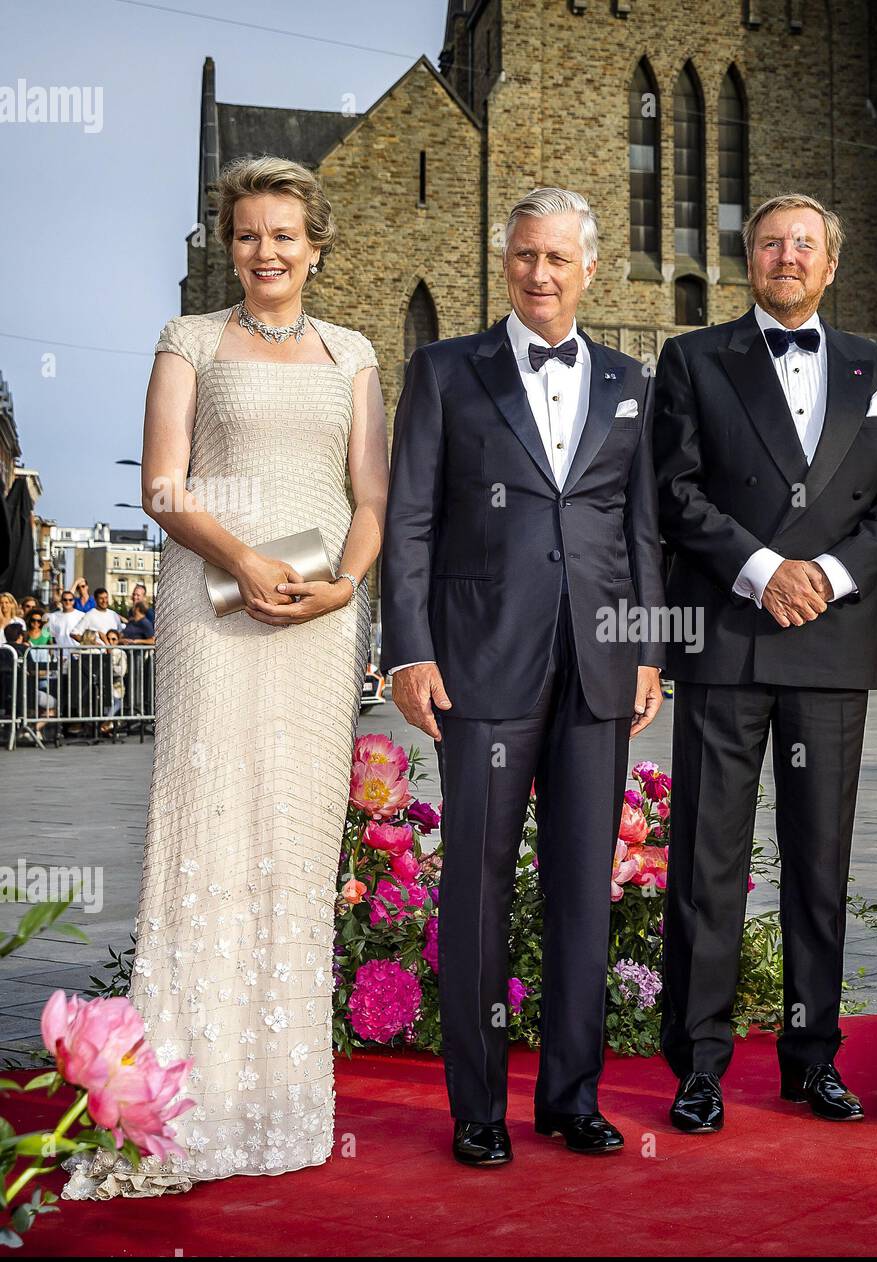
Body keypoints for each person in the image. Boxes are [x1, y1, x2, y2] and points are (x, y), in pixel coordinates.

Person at [62, 154, 388, 1200]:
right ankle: (182, 1099)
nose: (266, 251)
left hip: (319, 625)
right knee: (207, 826)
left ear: (316, 245)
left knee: (293, 846)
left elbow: (372, 496)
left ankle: (275, 1107)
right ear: (228, 242)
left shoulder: (353, 352)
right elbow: (162, 481)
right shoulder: (190, 340)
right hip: (214, 609)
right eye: (248, 234)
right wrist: (241, 558)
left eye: (284, 234)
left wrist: (344, 585)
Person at [382, 187, 666, 1168]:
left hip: (598, 668)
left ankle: (570, 1097)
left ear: (590, 267)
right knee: (477, 890)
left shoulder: (633, 379)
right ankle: (476, 1110)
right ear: (503, 262)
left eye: (556, 258)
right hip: (479, 665)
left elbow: (639, 529)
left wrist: (645, 651)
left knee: (586, 889)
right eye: (522, 257)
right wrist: (408, 650)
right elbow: (409, 518)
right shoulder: (445, 371)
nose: (538, 274)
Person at [653, 192, 877, 1132]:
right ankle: (699, 1064)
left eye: (805, 243)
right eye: (771, 242)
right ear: (749, 258)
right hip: (727, 638)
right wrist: (764, 570)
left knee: (820, 861)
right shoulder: (691, 358)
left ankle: (813, 1059)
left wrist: (831, 574)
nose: (787, 255)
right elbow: (674, 490)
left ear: (830, 264)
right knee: (707, 859)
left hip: (832, 638)